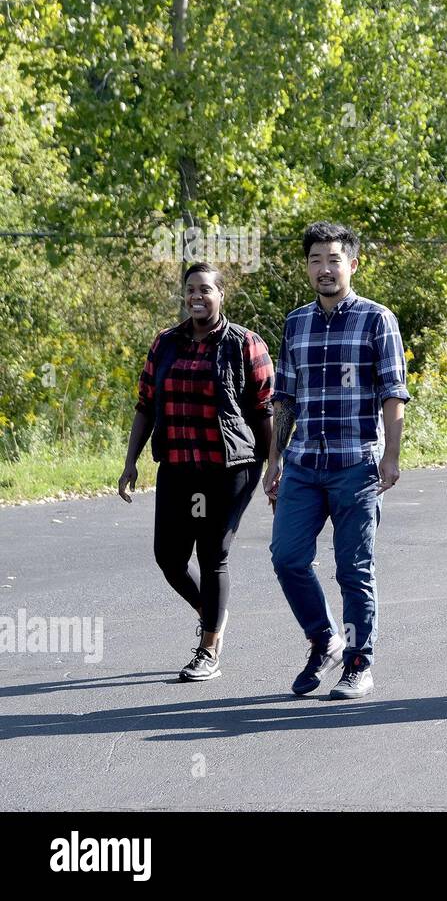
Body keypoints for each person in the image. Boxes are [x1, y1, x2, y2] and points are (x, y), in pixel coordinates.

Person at [264, 222, 410, 700]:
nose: (324, 269)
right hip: (304, 463)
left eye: (333, 260)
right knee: (286, 558)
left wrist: (391, 456)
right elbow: (284, 399)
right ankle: (324, 638)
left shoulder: (376, 320)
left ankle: (358, 663)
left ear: (353, 262)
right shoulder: (295, 323)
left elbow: (393, 393)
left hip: (356, 465)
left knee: (354, 569)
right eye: (315, 261)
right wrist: (275, 461)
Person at [119, 262, 274, 681]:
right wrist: (131, 461)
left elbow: (264, 410)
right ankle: (212, 611)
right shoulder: (166, 343)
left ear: (221, 294)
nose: (197, 297)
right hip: (178, 467)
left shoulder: (245, 343)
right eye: (191, 290)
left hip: (228, 468)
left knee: (212, 555)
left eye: (206, 290)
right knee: (168, 557)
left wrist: (272, 465)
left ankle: (209, 648)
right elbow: (145, 404)